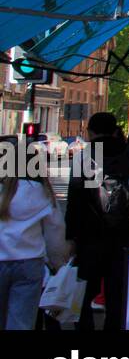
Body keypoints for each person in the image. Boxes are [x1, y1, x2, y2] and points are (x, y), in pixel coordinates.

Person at [65, 113, 129, 330]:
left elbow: (76, 199)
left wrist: (71, 236)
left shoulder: (86, 156)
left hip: (90, 235)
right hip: (122, 235)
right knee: (117, 294)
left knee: (84, 294)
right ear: (115, 129)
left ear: (91, 132)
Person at [0, 135, 73, 330]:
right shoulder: (40, 191)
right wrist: (57, 263)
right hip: (30, 263)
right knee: (21, 322)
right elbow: (55, 231)